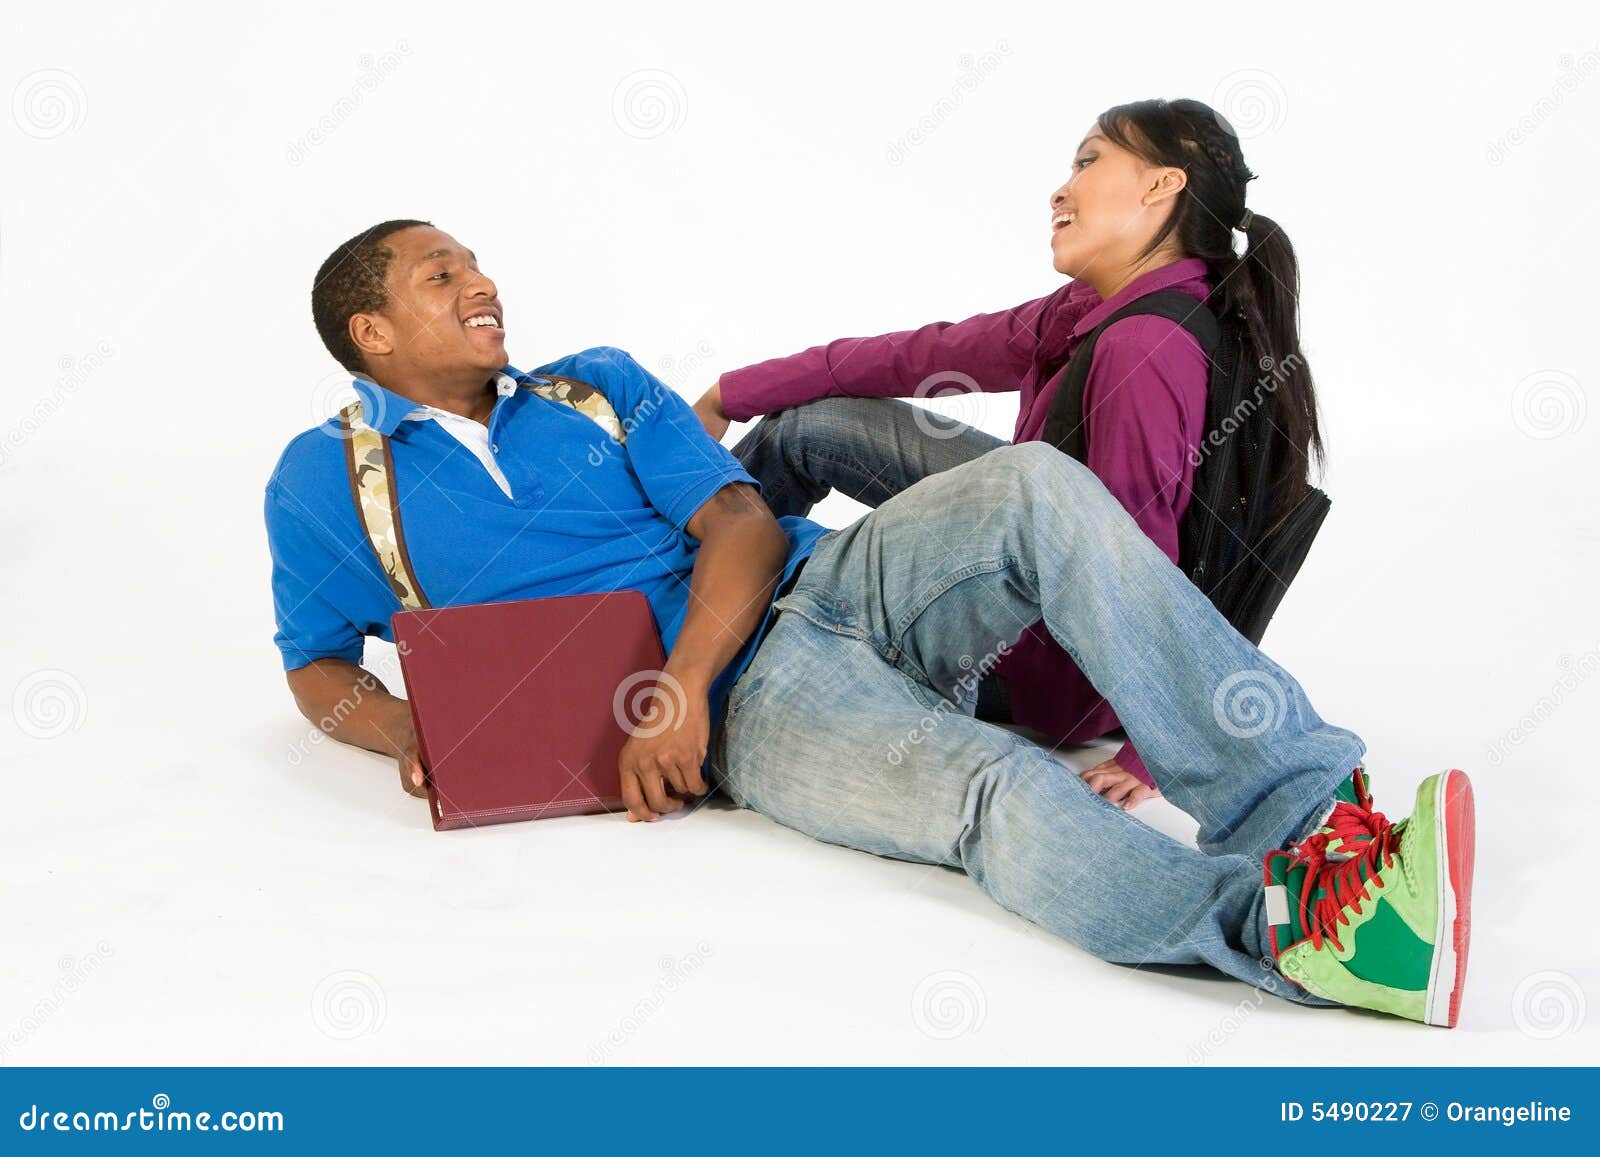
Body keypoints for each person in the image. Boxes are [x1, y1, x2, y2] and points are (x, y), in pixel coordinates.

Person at [265, 217, 1475, 1027]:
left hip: (817, 584)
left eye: (476, 265)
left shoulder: (594, 379)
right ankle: (1297, 936)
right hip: (755, 714)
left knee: (1034, 488)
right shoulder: (323, 481)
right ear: (371, 333)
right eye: (443, 277)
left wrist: (676, 682)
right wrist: (407, 732)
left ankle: (1318, 816)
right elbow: (317, 662)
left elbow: (740, 523)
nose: (482, 285)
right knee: (990, 785)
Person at [694, 98, 1322, 813]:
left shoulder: (1141, 350)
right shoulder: (1092, 307)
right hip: (1031, 575)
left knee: (806, 577)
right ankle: (689, 574)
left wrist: (1150, 755)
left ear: (1160, 185)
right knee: (812, 424)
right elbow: (923, 354)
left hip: (1040, 668)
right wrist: (728, 392)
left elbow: (1136, 567)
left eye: (1089, 161)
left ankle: (678, 611)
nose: (1062, 188)